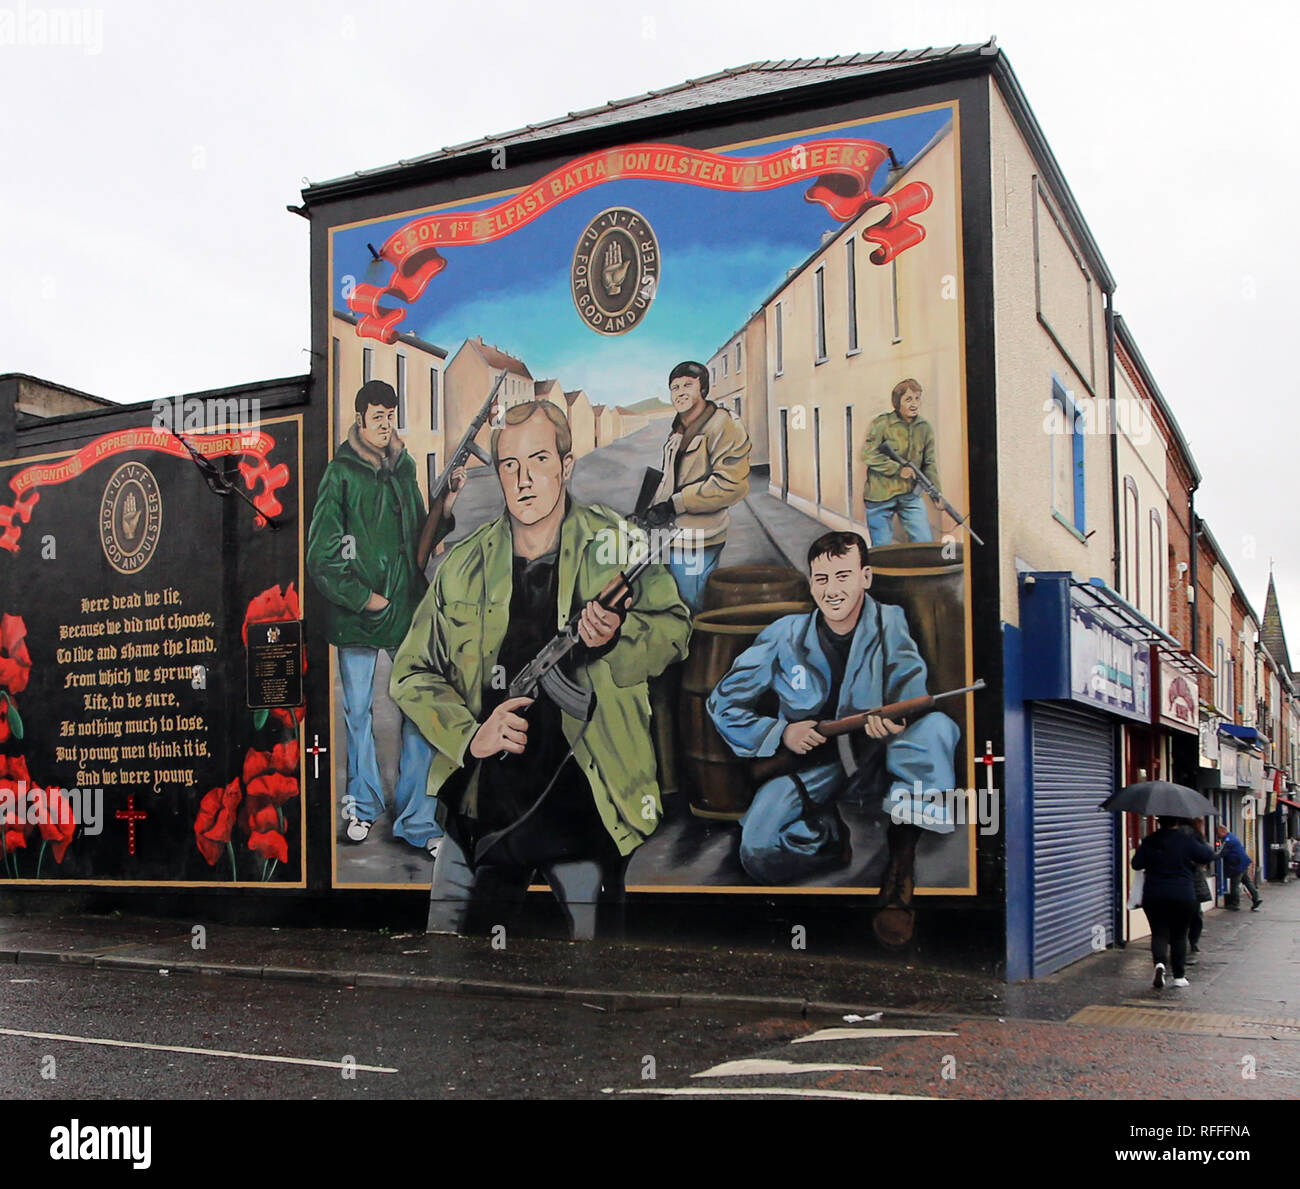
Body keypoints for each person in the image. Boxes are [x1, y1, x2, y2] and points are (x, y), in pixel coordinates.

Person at [391, 400, 691, 940]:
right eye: (509, 465)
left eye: (539, 460)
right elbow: (411, 672)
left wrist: (618, 637)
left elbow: (674, 633)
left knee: (592, 978)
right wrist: (470, 735)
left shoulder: (618, 544)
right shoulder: (463, 565)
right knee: (450, 962)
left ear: (567, 465)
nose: (524, 480)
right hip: (482, 803)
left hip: (589, 800)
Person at [707, 531, 960, 948]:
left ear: (865, 577)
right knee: (757, 851)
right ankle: (829, 841)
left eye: (843, 576)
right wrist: (780, 732)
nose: (832, 590)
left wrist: (894, 721)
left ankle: (900, 871)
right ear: (810, 583)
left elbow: (910, 687)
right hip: (818, 765)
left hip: (880, 754)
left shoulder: (889, 621)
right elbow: (723, 701)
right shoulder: (785, 635)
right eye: (821, 579)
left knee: (934, 731)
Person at [307, 380, 463, 857]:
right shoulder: (340, 474)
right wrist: (363, 597)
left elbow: (420, 535)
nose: (385, 424)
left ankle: (416, 820)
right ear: (360, 419)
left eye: (390, 415)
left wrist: (446, 507)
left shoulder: (404, 466)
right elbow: (321, 555)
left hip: (405, 609)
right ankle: (361, 806)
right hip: (358, 615)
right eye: (377, 416)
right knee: (358, 714)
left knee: (417, 709)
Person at [640, 360, 751, 613]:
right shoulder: (677, 429)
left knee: (690, 611)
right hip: (668, 538)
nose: (679, 392)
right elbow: (670, 479)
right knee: (669, 609)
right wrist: (648, 511)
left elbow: (731, 484)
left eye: (687, 385)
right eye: (674, 387)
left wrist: (675, 504)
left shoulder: (724, 424)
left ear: (703, 389)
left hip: (699, 540)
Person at [1132, 817, 1216, 989]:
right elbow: (1208, 855)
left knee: (1159, 932)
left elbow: (1136, 864)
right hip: (1182, 894)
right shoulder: (1186, 840)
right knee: (1179, 934)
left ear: (1159, 822)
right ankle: (1179, 976)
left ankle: (1160, 964)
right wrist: (1199, 833)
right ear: (1176, 822)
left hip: (1154, 894)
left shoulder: (1150, 840)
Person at [861, 378, 939, 546]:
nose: (914, 404)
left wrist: (936, 494)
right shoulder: (882, 423)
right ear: (897, 402)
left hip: (909, 495)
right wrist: (897, 469)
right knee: (882, 550)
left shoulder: (924, 428)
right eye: (908, 399)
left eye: (917, 398)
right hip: (880, 495)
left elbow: (929, 463)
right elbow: (868, 455)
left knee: (924, 543)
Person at [1178, 820, 1214, 957]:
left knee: (1180, 915)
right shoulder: (1194, 835)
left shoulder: (1175, 832)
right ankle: (1193, 942)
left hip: (1178, 880)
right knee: (1195, 914)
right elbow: (1208, 854)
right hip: (1193, 880)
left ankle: (1177, 941)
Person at [1214, 824, 1262, 910]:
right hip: (1242, 863)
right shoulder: (1232, 837)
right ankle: (1256, 898)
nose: (1217, 835)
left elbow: (1221, 852)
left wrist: (1210, 856)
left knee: (1234, 885)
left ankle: (1235, 904)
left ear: (1223, 831)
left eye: (1218, 833)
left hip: (1237, 865)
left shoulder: (1228, 840)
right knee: (1247, 882)